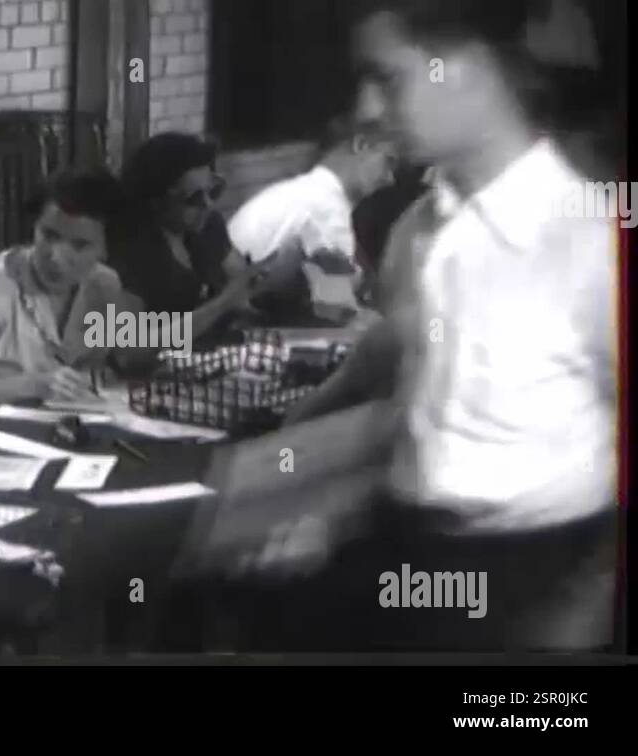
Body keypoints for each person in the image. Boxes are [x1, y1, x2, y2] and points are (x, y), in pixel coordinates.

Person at [188, 0, 620, 652]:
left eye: (389, 79)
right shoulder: (425, 232)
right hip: (419, 549)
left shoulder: (589, 237)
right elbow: (428, 419)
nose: (367, 109)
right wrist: (332, 519)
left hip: (534, 577)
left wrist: (593, 602)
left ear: (470, 68)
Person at [0, 169, 138, 403]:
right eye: (49, 235)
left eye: (80, 245)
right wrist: (32, 385)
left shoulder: (105, 285)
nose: (55, 257)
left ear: (105, 249)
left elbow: (112, 364)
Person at [227, 122, 398, 323]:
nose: (390, 179)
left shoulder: (303, 193)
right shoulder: (325, 206)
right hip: (229, 324)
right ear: (361, 145)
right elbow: (335, 308)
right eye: (388, 162)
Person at [109, 132, 272, 342]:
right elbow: (128, 349)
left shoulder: (208, 227)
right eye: (194, 198)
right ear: (156, 201)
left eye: (213, 191)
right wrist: (222, 304)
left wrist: (264, 286)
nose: (208, 204)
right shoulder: (131, 253)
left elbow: (239, 285)